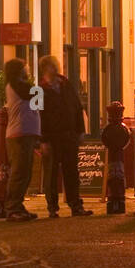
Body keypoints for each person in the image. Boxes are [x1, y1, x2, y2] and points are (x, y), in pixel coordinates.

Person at [37, 54, 94, 217]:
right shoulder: (39, 90)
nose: (55, 69)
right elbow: (37, 116)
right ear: (45, 69)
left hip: (69, 136)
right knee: (51, 174)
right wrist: (43, 140)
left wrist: (80, 131)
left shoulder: (66, 84)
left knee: (71, 172)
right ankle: (52, 207)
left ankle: (75, 205)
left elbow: (77, 107)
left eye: (56, 66)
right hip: (51, 138)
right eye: (52, 66)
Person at [3, 58, 41, 221]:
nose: (28, 71)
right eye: (25, 68)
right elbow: (37, 95)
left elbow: (37, 105)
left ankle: (18, 205)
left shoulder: (21, 86)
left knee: (25, 172)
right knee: (19, 172)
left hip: (27, 133)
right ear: (19, 71)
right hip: (19, 134)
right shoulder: (17, 86)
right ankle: (13, 208)